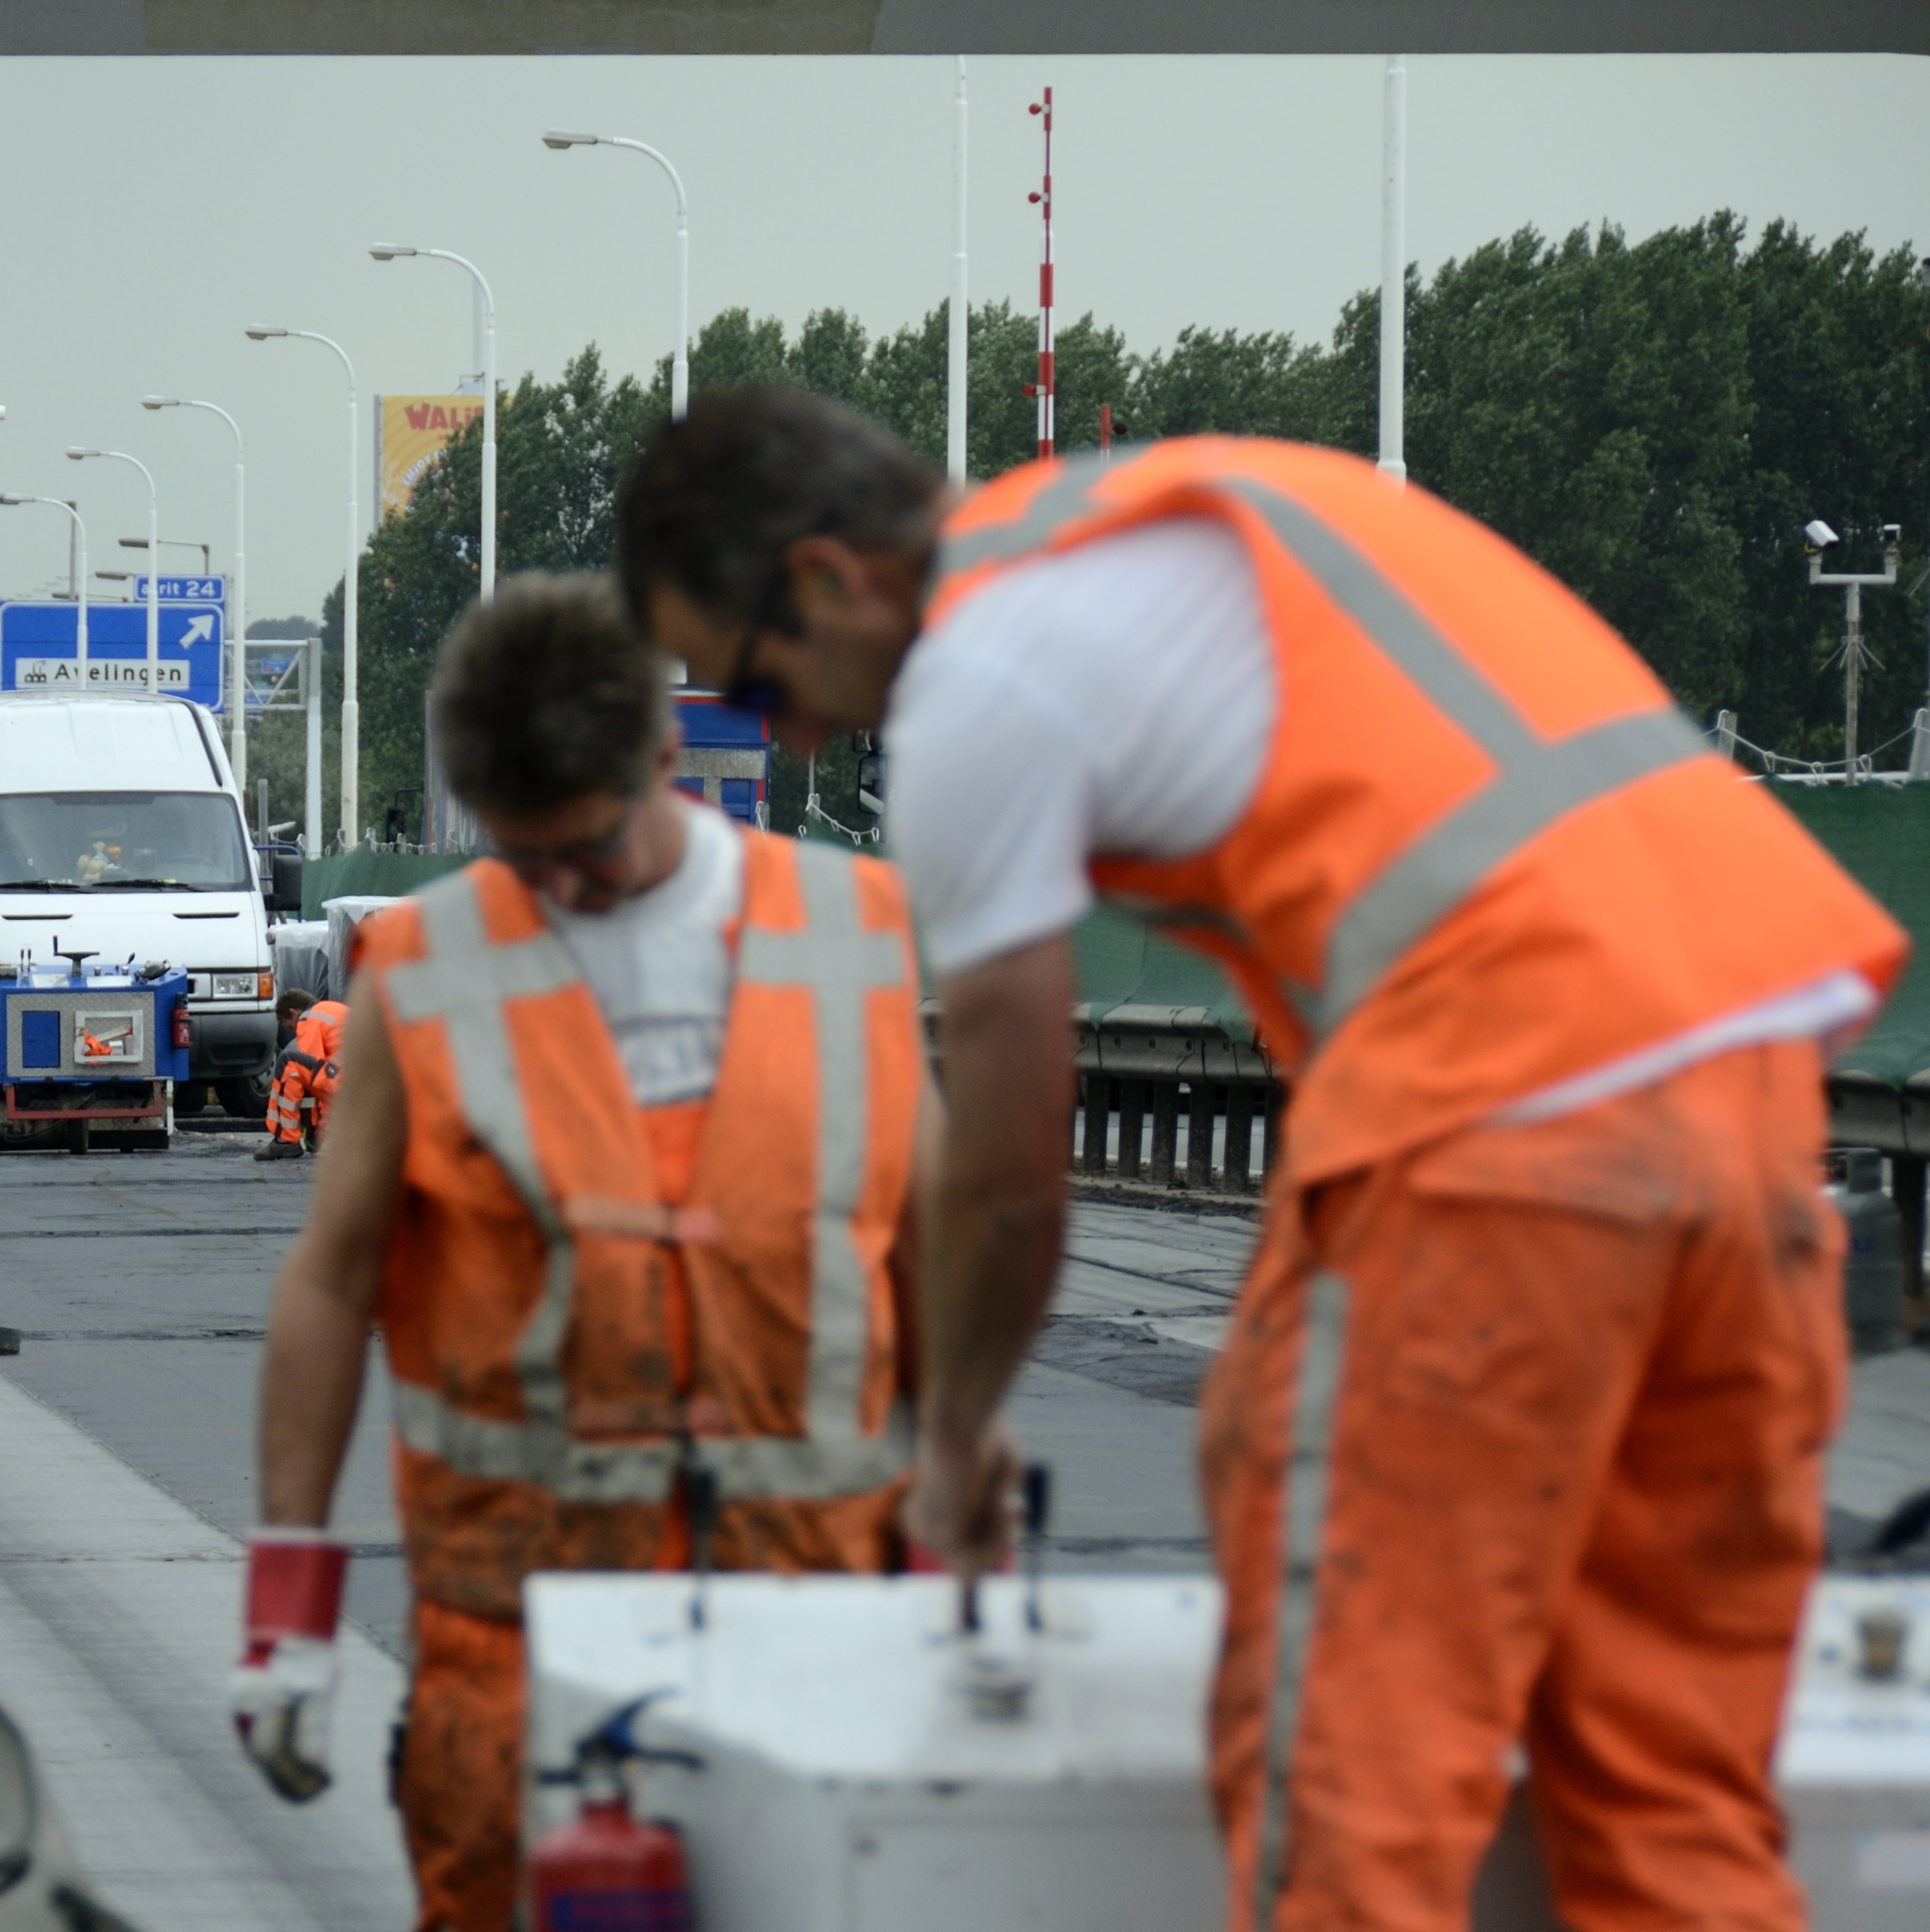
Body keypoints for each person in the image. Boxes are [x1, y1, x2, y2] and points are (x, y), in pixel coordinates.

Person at [613, 388, 1909, 1932]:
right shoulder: (1197, 506)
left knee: (1355, 1776)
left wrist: (951, 1440)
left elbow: (1014, 1174)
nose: (789, 735)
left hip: (1500, 1137)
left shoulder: (975, 680)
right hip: (1754, 1107)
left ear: (829, 578)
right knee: (1670, 1788)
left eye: (754, 684)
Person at [235, 574, 929, 1932]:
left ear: (665, 760)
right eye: (522, 852)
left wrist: (959, 1496)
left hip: (807, 1616)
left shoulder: (849, 936)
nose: (557, 885)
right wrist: (286, 1601)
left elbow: (928, 1230)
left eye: (587, 849)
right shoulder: (426, 969)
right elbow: (330, 1281)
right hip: (520, 1643)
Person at [256, 989, 345, 1161]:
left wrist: (314, 1126)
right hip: (368, 1082)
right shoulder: (335, 1010)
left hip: (346, 1081)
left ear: (294, 1013)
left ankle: (285, 1140)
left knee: (289, 1062)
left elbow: (313, 1076)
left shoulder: (309, 1018)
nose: (295, 1031)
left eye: (291, 1026)